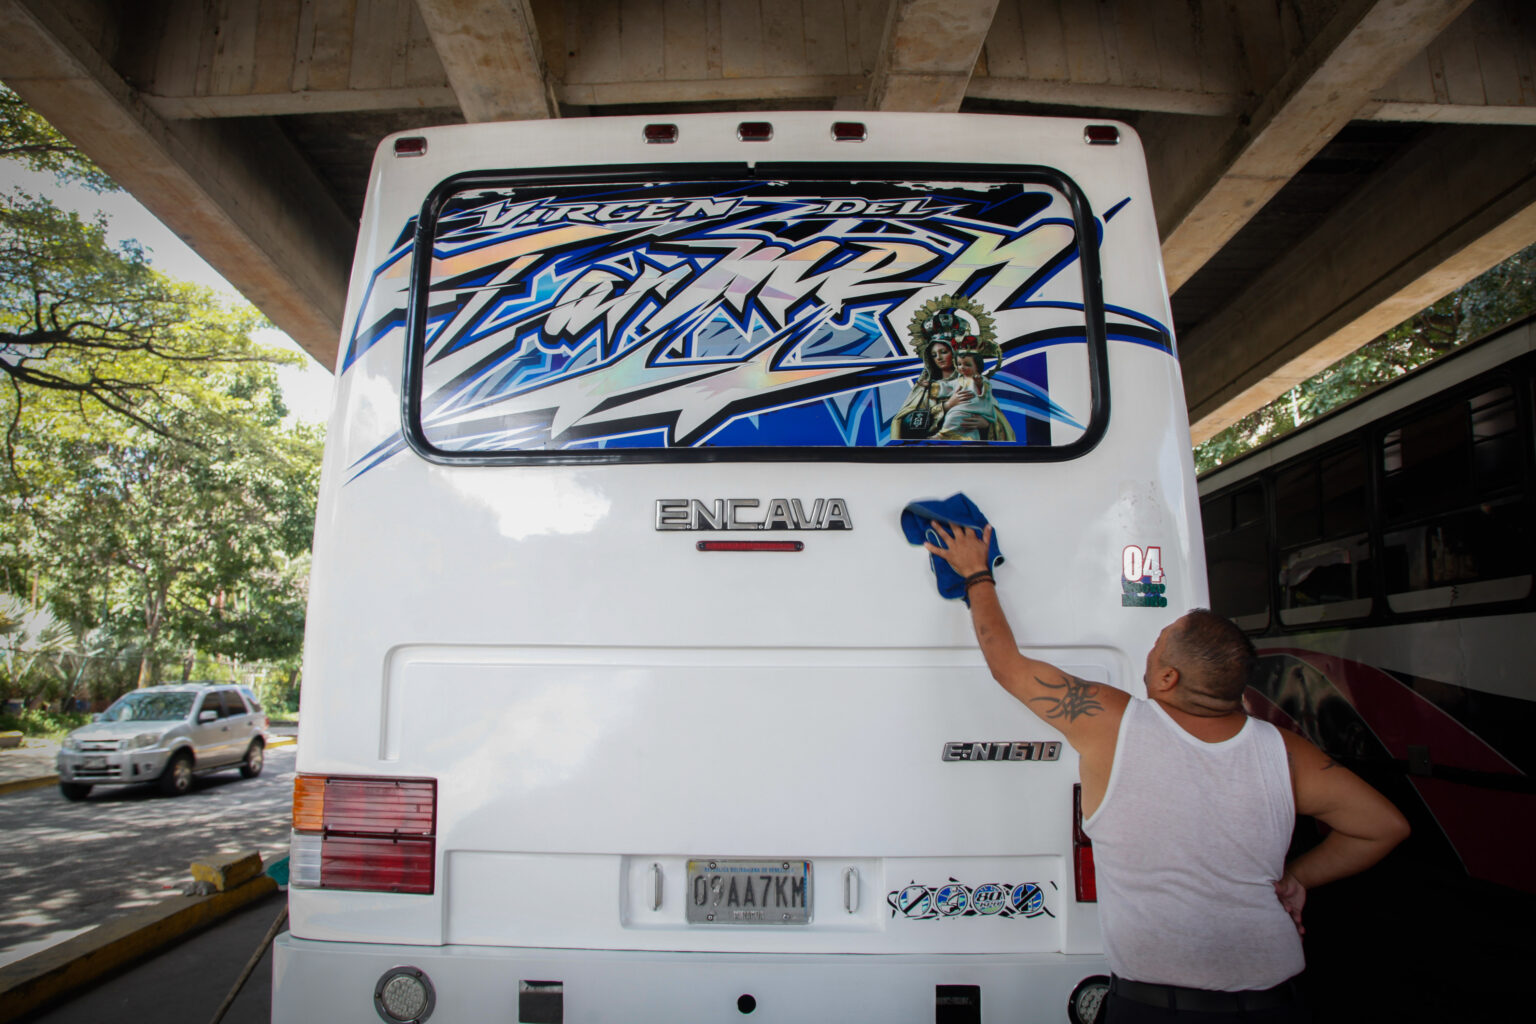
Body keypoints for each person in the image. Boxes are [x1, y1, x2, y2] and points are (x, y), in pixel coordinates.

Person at [922, 522, 1409, 1023]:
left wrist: (976, 574)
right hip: (1275, 1000)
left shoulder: (1114, 723)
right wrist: (1295, 878)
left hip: (1158, 1006)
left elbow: (1007, 665)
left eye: (1157, 646)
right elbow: (1383, 826)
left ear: (1168, 677)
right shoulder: (1282, 751)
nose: (1149, 654)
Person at [935, 350, 1016, 441]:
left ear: (977, 367)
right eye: (959, 364)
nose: (962, 367)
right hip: (961, 409)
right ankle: (944, 435)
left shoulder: (979, 379)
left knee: (957, 418)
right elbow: (946, 387)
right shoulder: (959, 380)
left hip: (975, 409)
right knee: (952, 416)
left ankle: (945, 435)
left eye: (967, 365)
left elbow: (985, 393)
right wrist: (936, 389)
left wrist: (986, 423)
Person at [891, 340, 959, 439]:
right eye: (934, 355)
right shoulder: (925, 387)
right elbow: (905, 420)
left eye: (944, 352)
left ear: (954, 354)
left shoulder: (968, 383)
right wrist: (944, 407)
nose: (939, 358)